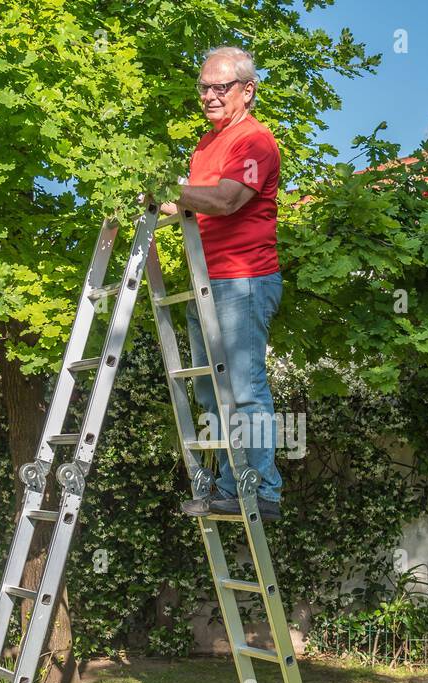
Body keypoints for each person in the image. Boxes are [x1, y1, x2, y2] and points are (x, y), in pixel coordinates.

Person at [160, 45, 284, 522]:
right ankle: (232, 485)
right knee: (213, 391)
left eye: (220, 87)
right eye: (204, 87)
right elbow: (193, 202)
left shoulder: (254, 142)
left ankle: (263, 488)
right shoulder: (206, 144)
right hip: (205, 277)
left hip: (244, 279)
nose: (209, 96)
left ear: (247, 91)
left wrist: (166, 190)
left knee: (245, 388)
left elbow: (229, 200)